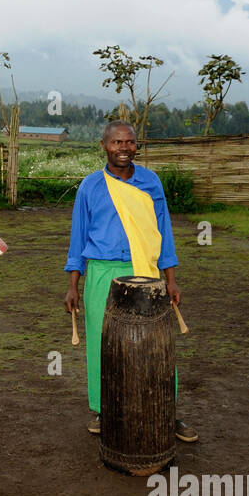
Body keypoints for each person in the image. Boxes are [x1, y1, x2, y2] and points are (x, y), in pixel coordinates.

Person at [64, 120, 198, 441]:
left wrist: (171, 280)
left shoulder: (151, 183)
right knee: (102, 343)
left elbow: (162, 234)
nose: (124, 148)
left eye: (130, 143)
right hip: (101, 272)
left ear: (137, 146)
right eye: (117, 142)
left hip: (145, 271)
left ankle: (167, 410)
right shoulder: (90, 187)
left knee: (156, 342)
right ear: (104, 146)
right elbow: (78, 238)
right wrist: (73, 285)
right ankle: (103, 409)